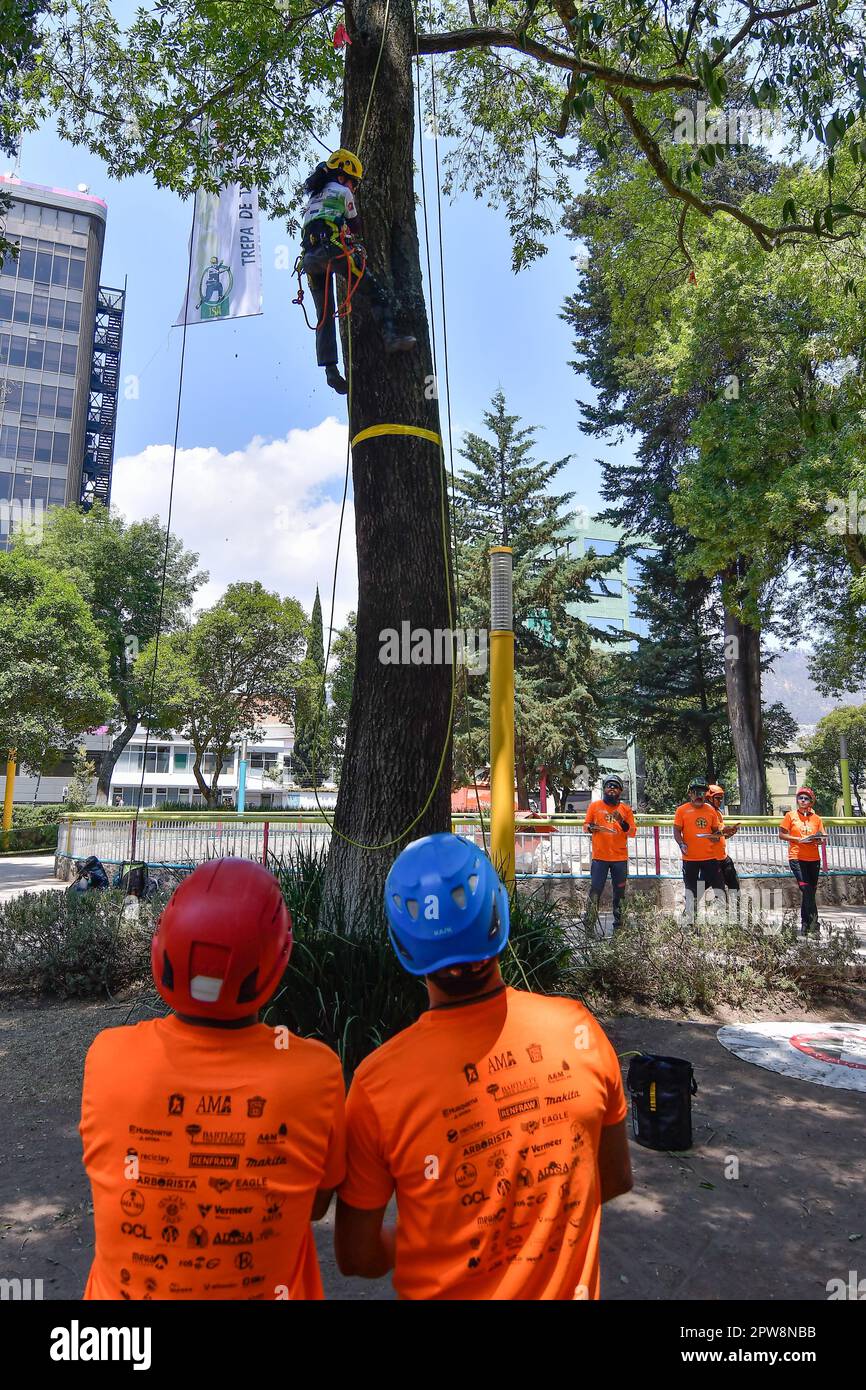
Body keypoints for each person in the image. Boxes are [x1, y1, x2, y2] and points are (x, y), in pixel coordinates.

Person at [335, 832, 633, 1300]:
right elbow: (614, 1179)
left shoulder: (377, 1085)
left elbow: (356, 1256)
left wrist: (434, 1242)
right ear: (497, 917)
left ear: (403, 944)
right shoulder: (579, 1032)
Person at [79, 858, 345, 1301]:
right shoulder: (316, 1074)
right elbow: (313, 1204)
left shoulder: (108, 1056)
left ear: (164, 948)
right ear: (275, 960)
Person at [298, 148, 416, 394]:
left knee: (324, 316)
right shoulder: (343, 192)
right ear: (343, 176)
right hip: (335, 253)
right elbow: (356, 225)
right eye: (353, 181)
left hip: (309, 261)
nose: (353, 186)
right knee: (376, 292)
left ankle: (331, 371)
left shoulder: (313, 198)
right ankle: (391, 338)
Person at [582, 774, 637, 932]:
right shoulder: (595, 806)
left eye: (615, 787)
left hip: (619, 858)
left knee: (619, 892)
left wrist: (621, 821)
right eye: (609, 786)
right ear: (604, 789)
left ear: (620, 790)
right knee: (595, 890)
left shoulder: (625, 809)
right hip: (600, 858)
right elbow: (585, 826)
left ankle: (619, 927)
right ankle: (589, 925)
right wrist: (592, 827)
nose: (611, 789)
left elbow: (632, 832)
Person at [672, 778, 726, 923]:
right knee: (691, 892)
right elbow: (677, 831)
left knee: (720, 889)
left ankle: (725, 922)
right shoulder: (681, 810)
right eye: (696, 792)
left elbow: (716, 834)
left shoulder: (710, 810)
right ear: (690, 794)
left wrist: (726, 833)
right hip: (690, 859)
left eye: (702, 792)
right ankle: (691, 923)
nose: (699, 796)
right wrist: (681, 844)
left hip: (710, 858)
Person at [779, 788, 827, 935]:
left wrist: (818, 840)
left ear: (811, 801)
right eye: (800, 798)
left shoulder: (817, 818)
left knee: (810, 892)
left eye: (806, 798)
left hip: (813, 859)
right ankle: (814, 925)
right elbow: (781, 834)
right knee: (806, 889)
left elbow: (823, 838)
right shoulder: (790, 816)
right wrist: (797, 839)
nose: (803, 801)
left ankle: (806, 925)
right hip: (797, 858)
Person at [706, 783, 741, 909]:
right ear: (709, 798)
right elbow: (711, 836)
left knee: (735, 888)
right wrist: (723, 831)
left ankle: (737, 917)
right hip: (711, 860)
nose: (720, 801)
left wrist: (730, 833)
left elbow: (721, 836)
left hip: (723, 857)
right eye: (717, 798)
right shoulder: (706, 814)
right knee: (717, 892)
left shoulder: (719, 813)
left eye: (721, 798)